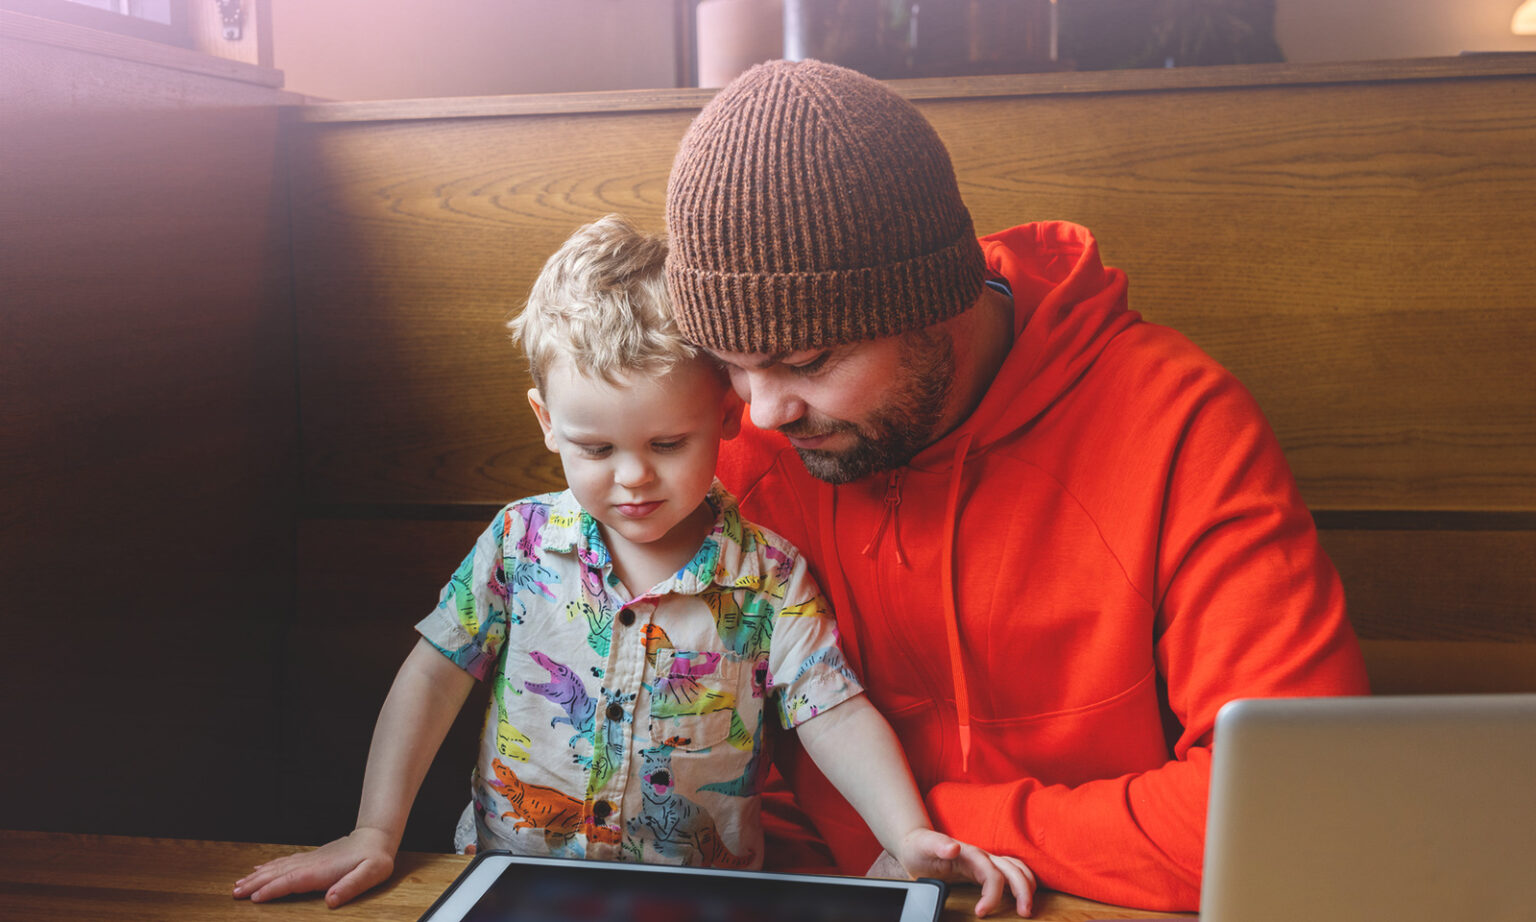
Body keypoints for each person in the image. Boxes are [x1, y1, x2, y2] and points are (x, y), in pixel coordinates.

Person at [662, 60, 1371, 911]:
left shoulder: (1181, 425)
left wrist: (929, 827)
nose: (765, 411)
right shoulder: (742, 442)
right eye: (735, 368)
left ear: (937, 305)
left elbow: (1295, 809)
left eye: (809, 361)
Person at [232, 215, 1034, 915]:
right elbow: (432, 677)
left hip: (701, 900)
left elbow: (835, 712)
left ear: (727, 417)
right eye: (596, 448)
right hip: (507, 886)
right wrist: (377, 829)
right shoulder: (518, 546)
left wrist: (907, 834)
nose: (632, 478)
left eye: (666, 444)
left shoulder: (768, 577)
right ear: (547, 424)